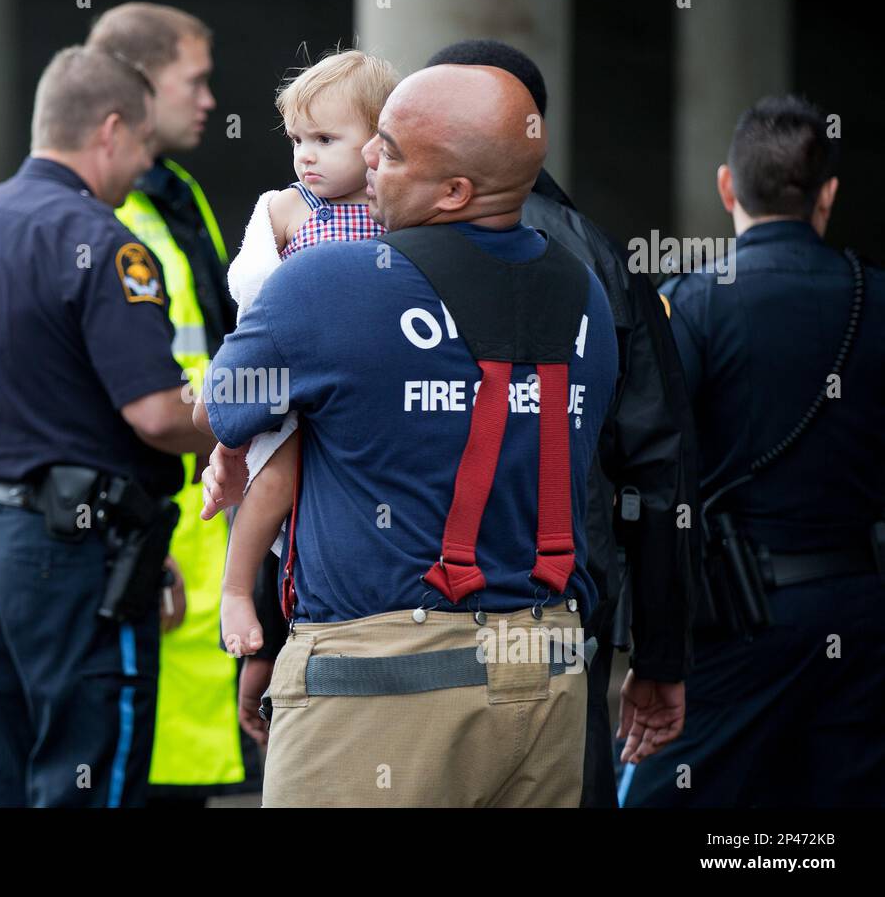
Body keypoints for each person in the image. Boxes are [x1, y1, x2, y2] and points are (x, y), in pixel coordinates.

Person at [197, 64, 619, 806]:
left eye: (387, 150)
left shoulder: (327, 281)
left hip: (377, 680)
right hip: (548, 676)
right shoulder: (581, 287)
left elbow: (225, 407)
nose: (364, 159)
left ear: (454, 192)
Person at [0, 46, 215, 807]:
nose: (142, 166)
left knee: (5, 768)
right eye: (143, 147)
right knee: (87, 774)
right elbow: (155, 413)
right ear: (110, 130)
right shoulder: (107, 244)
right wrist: (250, 415)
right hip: (77, 550)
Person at [426, 40, 696, 806]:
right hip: (562, 603)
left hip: (410, 608)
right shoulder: (603, 259)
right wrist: (662, 653)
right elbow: (659, 466)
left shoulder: (383, 254)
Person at [622, 95, 885, 807]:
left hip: (735, 618)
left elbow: (650, 474)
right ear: (827, 195)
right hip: (862, 614)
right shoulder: (878, 297)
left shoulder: (694, 303)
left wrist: (653, 642)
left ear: (727, 186)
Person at [87, 2, 253, 805]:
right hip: (152, 524)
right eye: (195, 80)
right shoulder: (106, 206)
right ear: (142, 85)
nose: (210, 100)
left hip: (195, 515)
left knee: (178, 764)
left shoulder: (172, 193)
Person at [217, 49, 397, 657]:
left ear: (380, 141)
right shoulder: (286, 207)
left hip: (371, 386)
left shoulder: (397, 209)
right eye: (298, 138)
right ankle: (238, 589)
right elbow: (251, 295)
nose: (306, 155)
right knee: (278, 476)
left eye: (325, 137)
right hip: (292, 378)